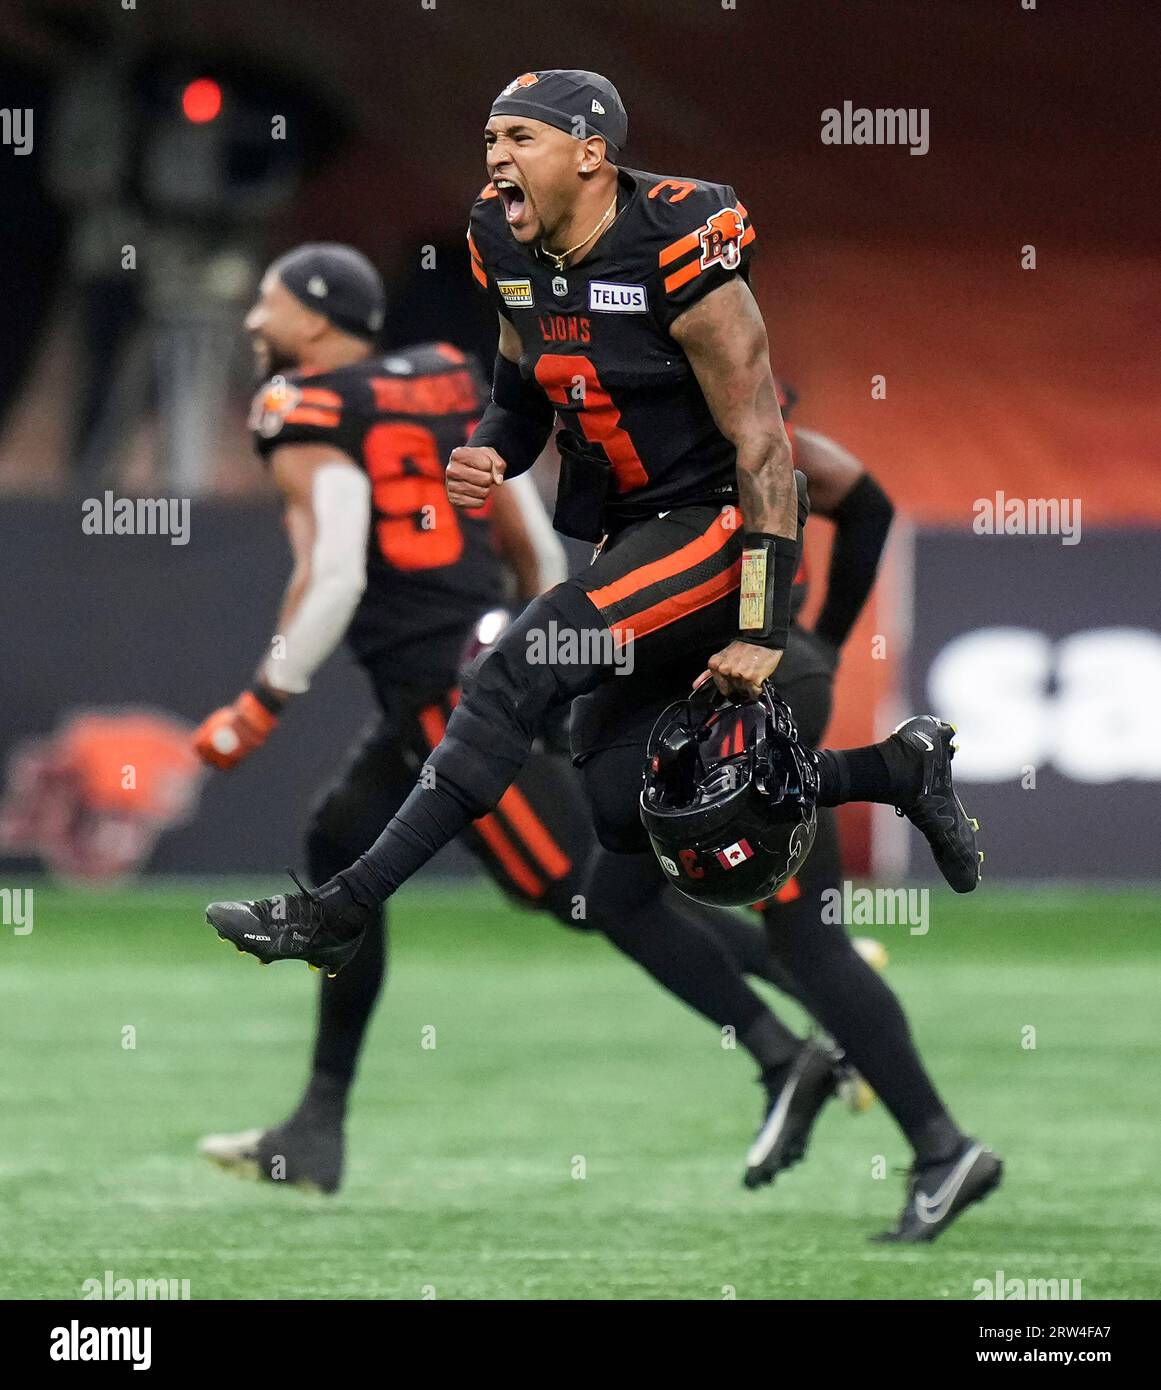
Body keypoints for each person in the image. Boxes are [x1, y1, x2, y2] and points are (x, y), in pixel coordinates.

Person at [205, 73, 997, 1240]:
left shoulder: (683, 240)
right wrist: (487, 450)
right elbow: (524, 392)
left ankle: (341, 904)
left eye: (516, 138)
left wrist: (772, 631)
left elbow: (778, 459)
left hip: (719, 538)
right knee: (620, 826)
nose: (492, 160)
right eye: (485, 138)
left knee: (519, 677)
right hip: (635, 546)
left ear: (591, 150)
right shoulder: (502, 241)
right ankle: (889, 776)